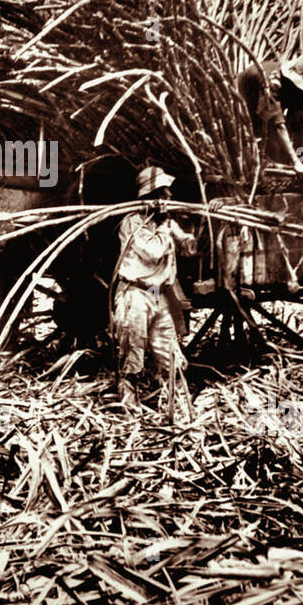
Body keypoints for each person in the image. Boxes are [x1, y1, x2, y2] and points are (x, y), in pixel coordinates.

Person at [111, 167, 198, 419]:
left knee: (170, 352)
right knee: (132, 354)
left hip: (159, 297)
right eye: (162, 192)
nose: (168, 196)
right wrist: (163, 227)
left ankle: (178, 406)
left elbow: (188, 248)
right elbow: (153, 252)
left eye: (167, 191)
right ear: (149, 196)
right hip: (135, 297)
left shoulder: (167, 223)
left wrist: (195, 231)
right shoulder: (131, 223)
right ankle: (130, 409)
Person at [237, 54, 303, 174]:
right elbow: (278, 125)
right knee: (261, 143)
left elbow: (301, 126)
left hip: (264, 104)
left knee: (279, 146)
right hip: (244, 101)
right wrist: (296, 162)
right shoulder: (272, 81)